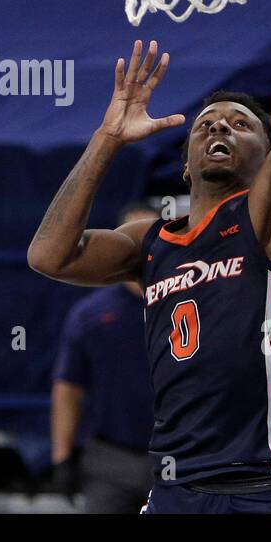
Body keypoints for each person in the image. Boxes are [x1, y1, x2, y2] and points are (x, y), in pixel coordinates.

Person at [29, 0, 271, 514]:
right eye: (206, 124)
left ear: (268, 156)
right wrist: (106, 139)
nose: (219, 128)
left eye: (240, 124)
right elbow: (48, 256)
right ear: (188, 159)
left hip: (263, 488)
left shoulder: (268, 217)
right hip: (174, 491)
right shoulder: (153, 241)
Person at [50, 202, 157, 513]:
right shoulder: (91, 315)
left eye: (150, 237)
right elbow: (68, 387)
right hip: (111, 459)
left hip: (178, 459)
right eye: (134, 239)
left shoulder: (188, 303)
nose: (143, 248)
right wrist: (62, 458)